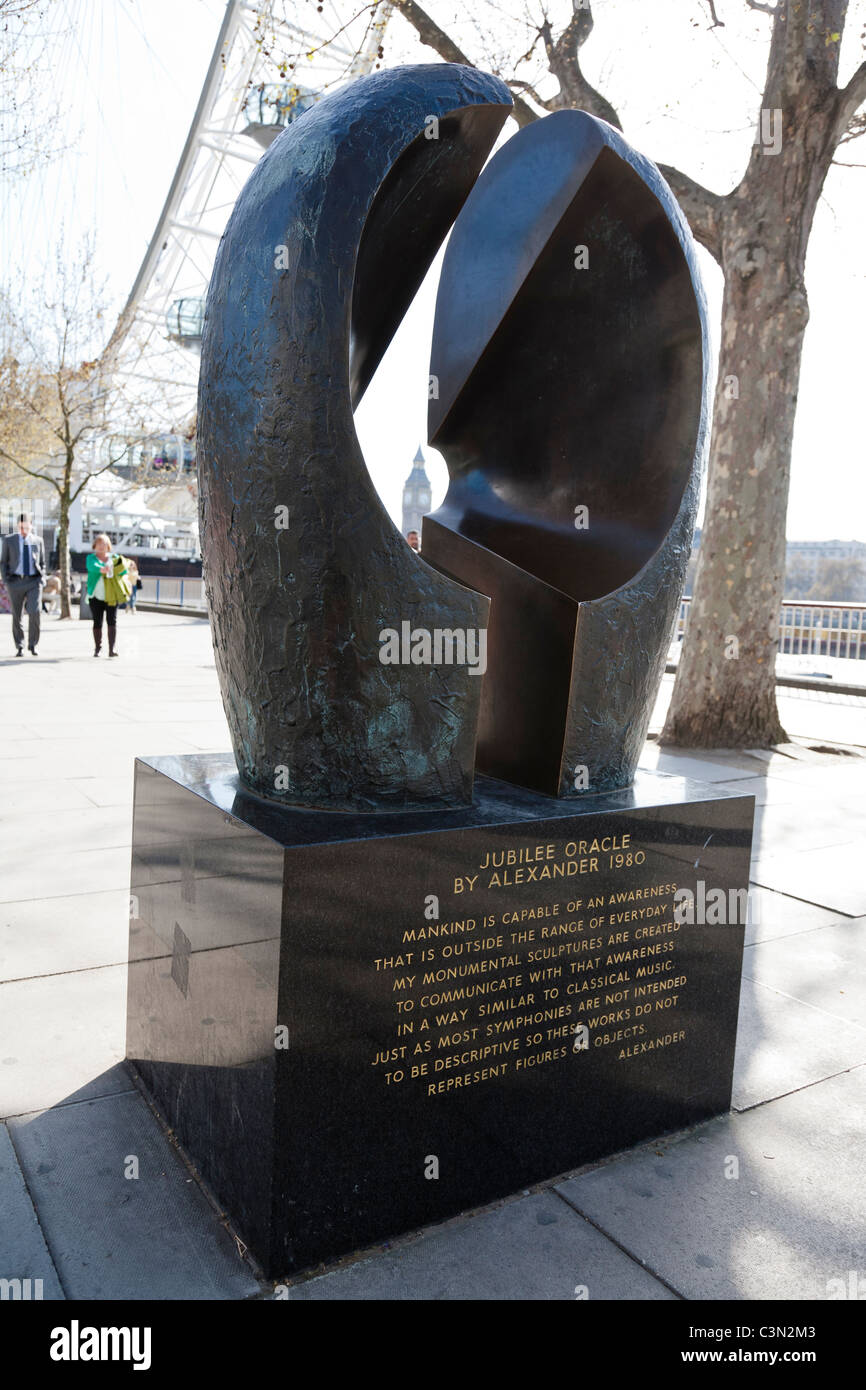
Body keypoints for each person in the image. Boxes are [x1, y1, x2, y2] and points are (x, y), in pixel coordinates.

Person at [1, 512, 45, 656]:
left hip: (33, 581)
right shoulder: (9, 540)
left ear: (31, 526)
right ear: (17, 526)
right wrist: (7, 581)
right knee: (17, 614)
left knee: (34, 611)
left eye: (26, 527)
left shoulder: (38, 541)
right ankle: (19, 645)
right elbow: (3, 562)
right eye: (20, 528)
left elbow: (42, 563)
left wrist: (42, 578)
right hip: (15, 581)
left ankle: (33, 644)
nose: (23, 531)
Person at [86, 534, 132, 658]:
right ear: (95, 546)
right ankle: (98, 648)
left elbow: (123, 569)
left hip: (112, 595)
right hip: (95, 595)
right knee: (97, 621)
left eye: (104, 544)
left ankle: (112, 648)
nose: (101, 546)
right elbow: (92, 567)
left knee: (112, 621)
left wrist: (120, 570)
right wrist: (103, 569)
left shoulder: (115, 558)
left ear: (108, 546)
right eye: (99, 544)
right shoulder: (91, 558)